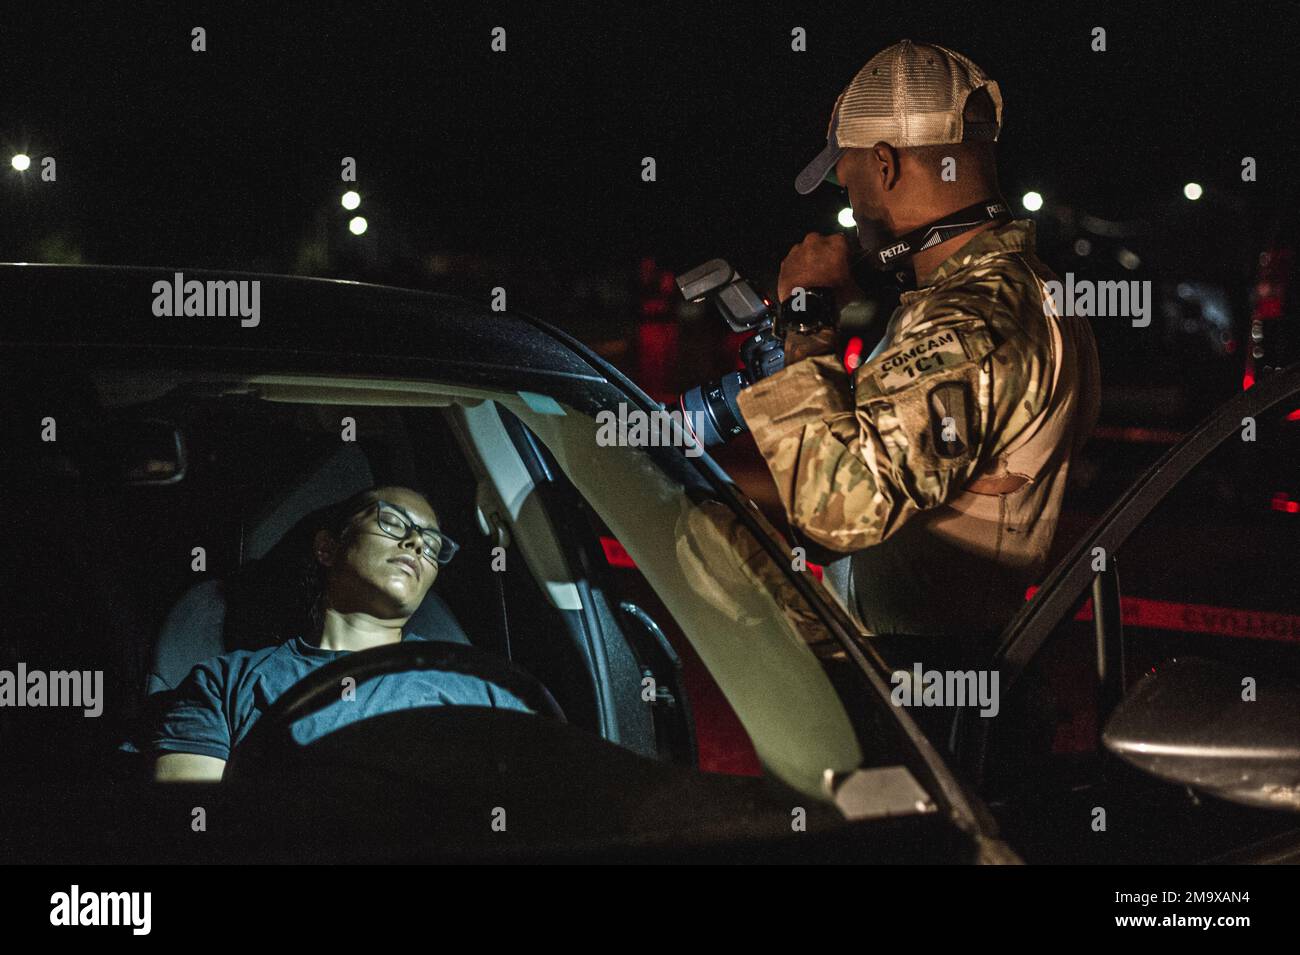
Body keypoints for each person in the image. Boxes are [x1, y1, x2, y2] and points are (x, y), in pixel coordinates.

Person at [735, 40, 1101, 660]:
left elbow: (837, 510)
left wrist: (806, 315)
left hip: (923, 694)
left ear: (884, 165)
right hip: (947, 666)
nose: (849, 206)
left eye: (846, 180)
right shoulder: (1023, 291)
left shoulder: (973, 316)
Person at [147, 485, 530, 782]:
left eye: (431, 544)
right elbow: (191, 824)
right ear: (327, 548)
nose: (416, 544)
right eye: (393, 522)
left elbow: (547, 799)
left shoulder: (479, 687)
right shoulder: (227, 682)